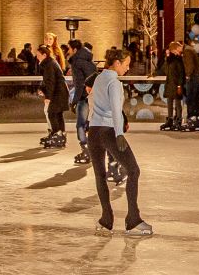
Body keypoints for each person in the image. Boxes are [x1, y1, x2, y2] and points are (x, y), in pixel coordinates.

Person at [86, 48, 152, 237]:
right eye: (126, 64)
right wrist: (119, 134)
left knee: (100, 175)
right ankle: (133, 220)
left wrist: (90, 124)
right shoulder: (113, 82)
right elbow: (116, 109)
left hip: (94, 131)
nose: (128, 67)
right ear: (116, 63)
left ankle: (106, 220)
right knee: (133, 170)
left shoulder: (98, 78)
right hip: (108, 131)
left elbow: (91, 102)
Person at [68, 39, 97, 161]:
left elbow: (79, 84)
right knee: (89, 124)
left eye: (69, 49)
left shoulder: (77, 62)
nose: (68, 52)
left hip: (83, 98)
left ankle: (86, 150)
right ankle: (92, 149)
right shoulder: (89, 61)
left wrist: (74, 101)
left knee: (80, 125)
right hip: (92, 97)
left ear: (75, 50)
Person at [37, 43, 70, 148]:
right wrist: (42, 89)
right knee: (57, 114)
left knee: (52, 113)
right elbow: (49, 81)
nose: (37, 57)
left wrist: (48, 97)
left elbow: (51, 82)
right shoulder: (50, 63)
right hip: (60, 92)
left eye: (38, 54)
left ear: (44, 55)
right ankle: (60, 135)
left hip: (58, 93)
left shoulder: (49, 65)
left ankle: (57, 135)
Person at [159, 41, 188, 131]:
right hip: (170, 84)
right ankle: (170, 120)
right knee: (170, 103)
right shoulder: (169, 60)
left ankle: (178, 121)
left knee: (178, 104)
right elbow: (164, 70)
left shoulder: (178, 60)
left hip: (176, 85)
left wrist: (179, 85)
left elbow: (180, 73)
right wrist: (154, 74)